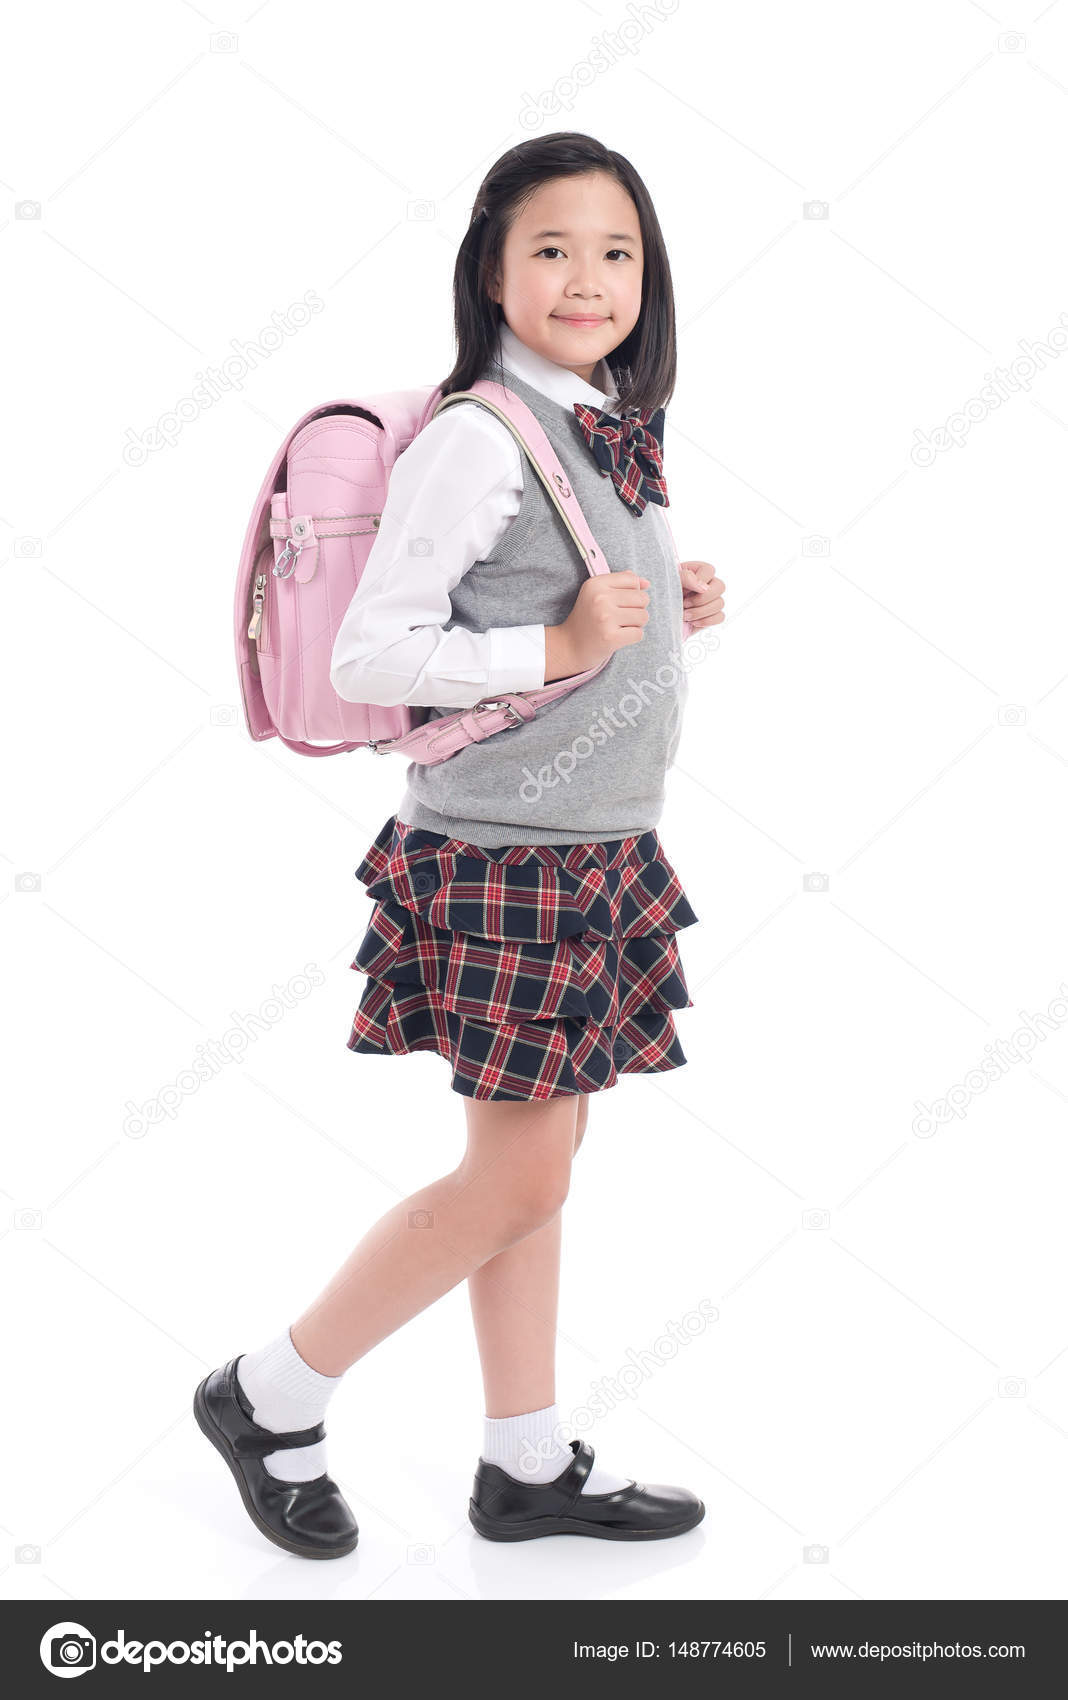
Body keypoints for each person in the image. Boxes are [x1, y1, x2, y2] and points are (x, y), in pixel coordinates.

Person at [195, 131, 726, 1559]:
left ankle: (525, 1461)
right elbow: (378, 651)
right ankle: (270, 1392)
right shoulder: (480, 433)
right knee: (520, 1177)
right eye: (551, 247)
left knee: (537, 1168)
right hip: (504, 857)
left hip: (596, 847)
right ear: (492, 267)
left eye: (616, 251)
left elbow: (576, 603)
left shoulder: (602, 414)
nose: (587, 277)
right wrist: (551, 638)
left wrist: (672, 608)